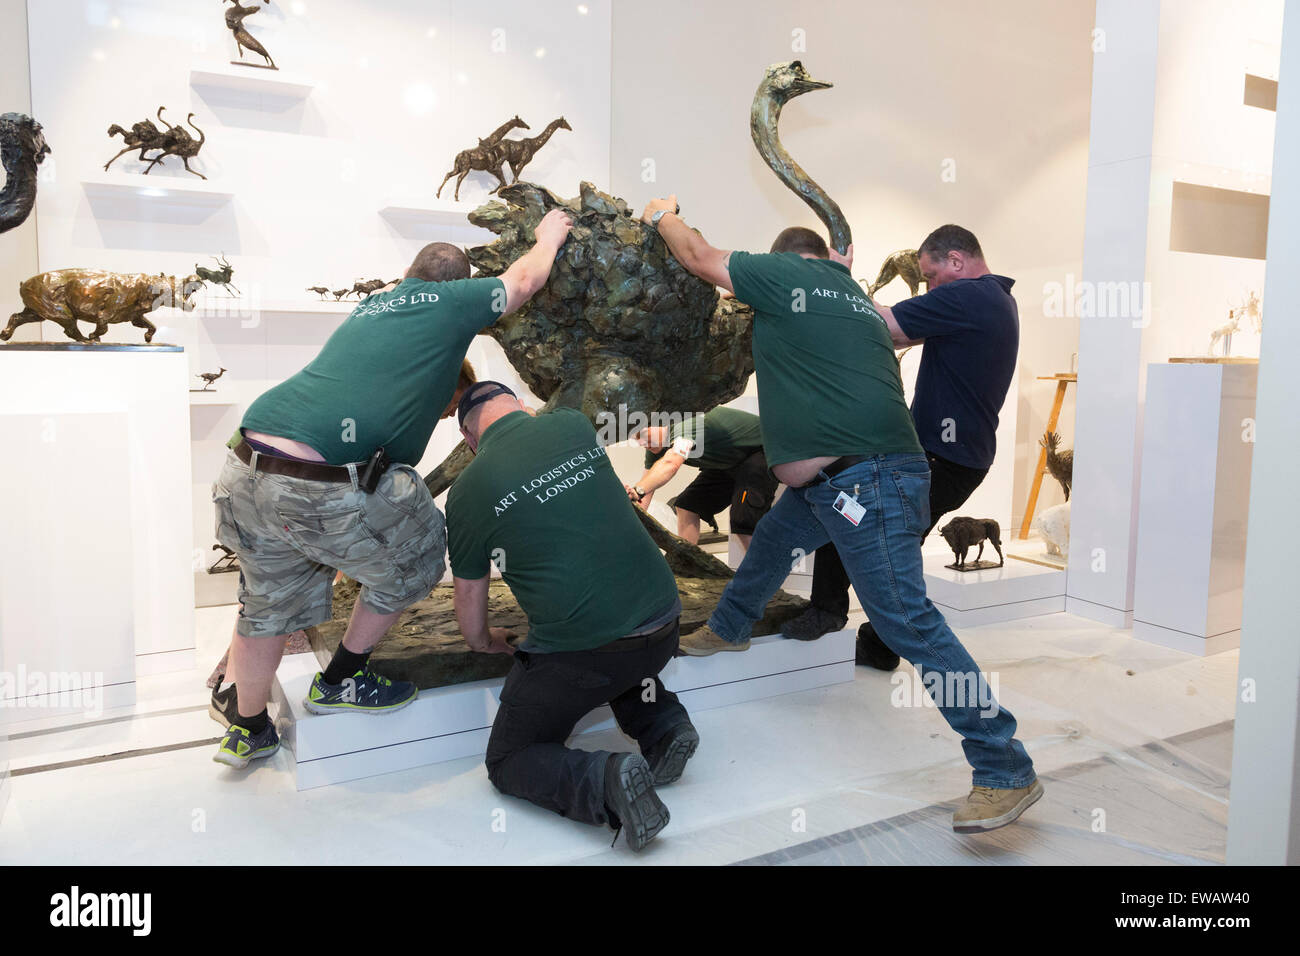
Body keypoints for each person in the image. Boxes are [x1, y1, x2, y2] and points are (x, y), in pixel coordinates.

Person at [639, 195, 1041, 833]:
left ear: (782, 265)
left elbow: (697, 255)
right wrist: (838, 269)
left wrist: (660, 212)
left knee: (909, 622)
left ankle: (1004, 765)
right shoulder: (849, 294)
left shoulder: (784, 274)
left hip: (869, 480)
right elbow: (871, 327)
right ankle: (731, 624)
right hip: (838, 480)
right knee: (773, 539)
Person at [208, 208, 573, 769]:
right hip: (317, 480)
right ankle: (343, 680)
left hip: (244, 465)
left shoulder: (376, 300)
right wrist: (549, 235)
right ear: (457, 285)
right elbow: (525, 279)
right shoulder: (450, 301)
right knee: (420, 557)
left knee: (267, 599)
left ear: (408, 271)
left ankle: (248, 727)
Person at [446, 382, 699, 851]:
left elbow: (469, 608)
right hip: (664, 623)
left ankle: (603, 780)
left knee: (507, 759)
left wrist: (485, 641)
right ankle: (664, 728)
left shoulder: (465, 494)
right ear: (522, 406)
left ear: (469, 440)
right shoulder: (572, 425)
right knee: (620, 657)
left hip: (587, 655)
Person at [781, 225, 1020, 673]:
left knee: (848, 507)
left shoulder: (971, 297)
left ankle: (832, 613)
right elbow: (898, 336)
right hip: (957, 458)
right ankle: (878, 640)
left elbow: (885, 323)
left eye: (930, 276)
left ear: (956, 261)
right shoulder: (993, 300)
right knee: (889, 540)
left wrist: (837, 277)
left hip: (940, 458)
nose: (928, 287)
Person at [627, 406, 777, 552]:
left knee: (743, 521)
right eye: (636, 439)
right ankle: (685, 563)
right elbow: (645, 493)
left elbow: (671, 464)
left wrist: (638, 490)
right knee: (687, 506)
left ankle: (760, 575)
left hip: (761, 450)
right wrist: (628, 526)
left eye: (642, 435)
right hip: (729, 462)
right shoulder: (655, 445)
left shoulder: (684, 423)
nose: (641, 443)